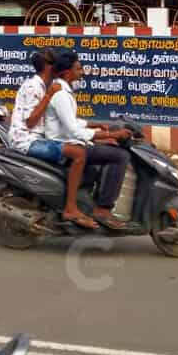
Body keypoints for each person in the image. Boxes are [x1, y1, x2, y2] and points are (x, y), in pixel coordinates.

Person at [41, 51, 134, 229]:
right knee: (120, 156)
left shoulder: (64, 90)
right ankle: (103, 209)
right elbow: (74, 130)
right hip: (64, 144)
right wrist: (112, 135)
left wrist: (95, 125)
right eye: (78, 68)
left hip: (68, 140)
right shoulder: (60, 94)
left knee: (105, 151)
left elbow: (72, 122)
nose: (82, 72)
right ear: (67, 72)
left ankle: (87, 200)